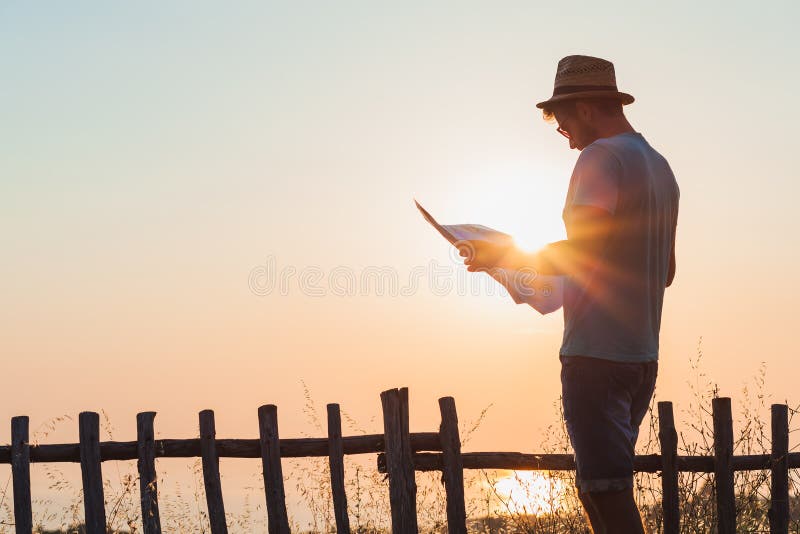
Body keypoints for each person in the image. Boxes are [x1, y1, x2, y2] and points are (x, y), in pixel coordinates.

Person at [462, 55, 679, 533]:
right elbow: (665, 271)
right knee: (600, 486)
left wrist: (500, 256)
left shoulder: (600, 158)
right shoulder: (661, 168)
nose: (566, 137)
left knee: (606, 491)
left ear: (583, 107)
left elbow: (583, 251)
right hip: (641, 356)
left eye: (563, 124)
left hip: (595, 357)